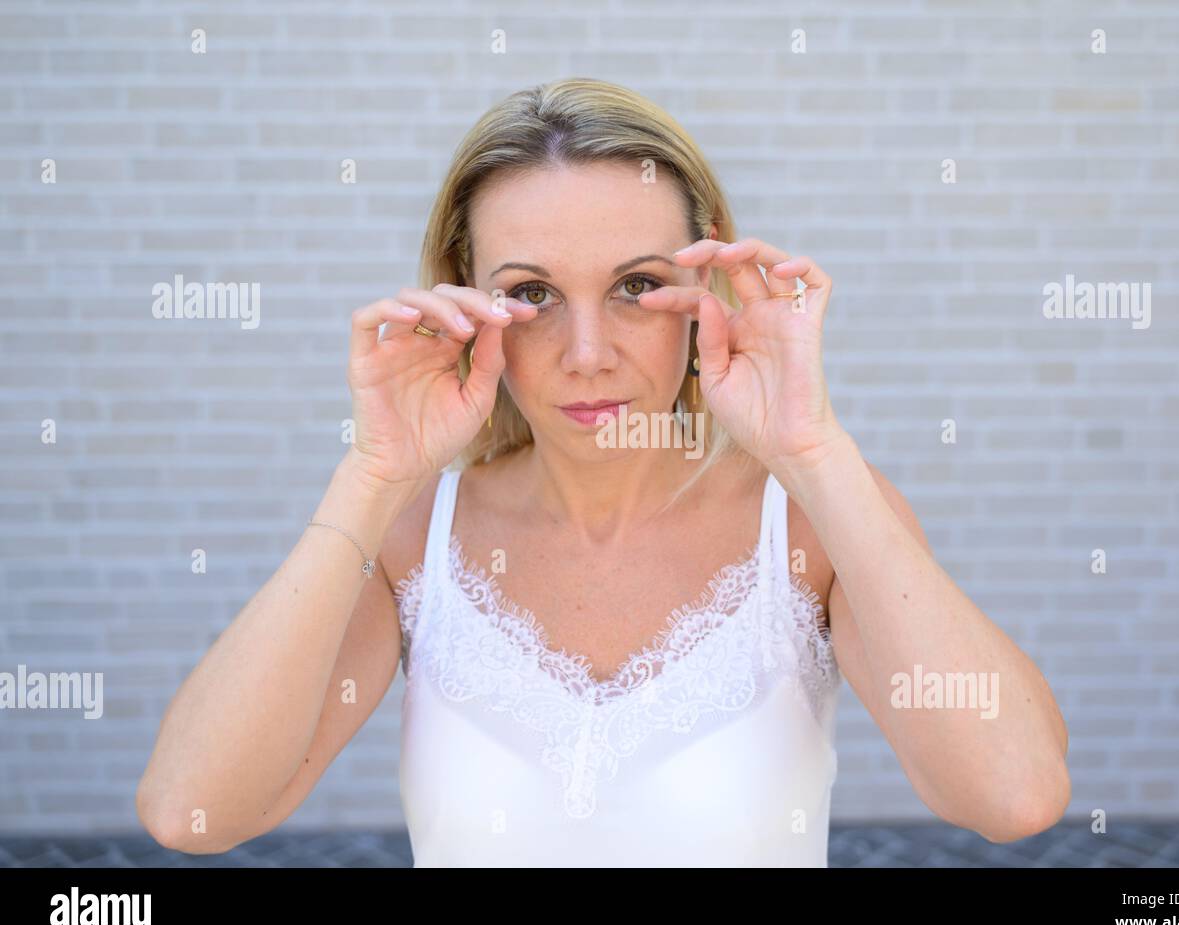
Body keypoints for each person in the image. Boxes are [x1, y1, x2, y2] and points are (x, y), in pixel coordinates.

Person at [136, 77, 1070, 867]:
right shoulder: (414, 537)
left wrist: (817, 451)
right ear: (467, 298)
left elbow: (1015, 793)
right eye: (532, 294)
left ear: (707, 284)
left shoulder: (811, 523)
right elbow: (193, 811)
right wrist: (372, 473)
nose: (588, 353)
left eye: (635, 286)